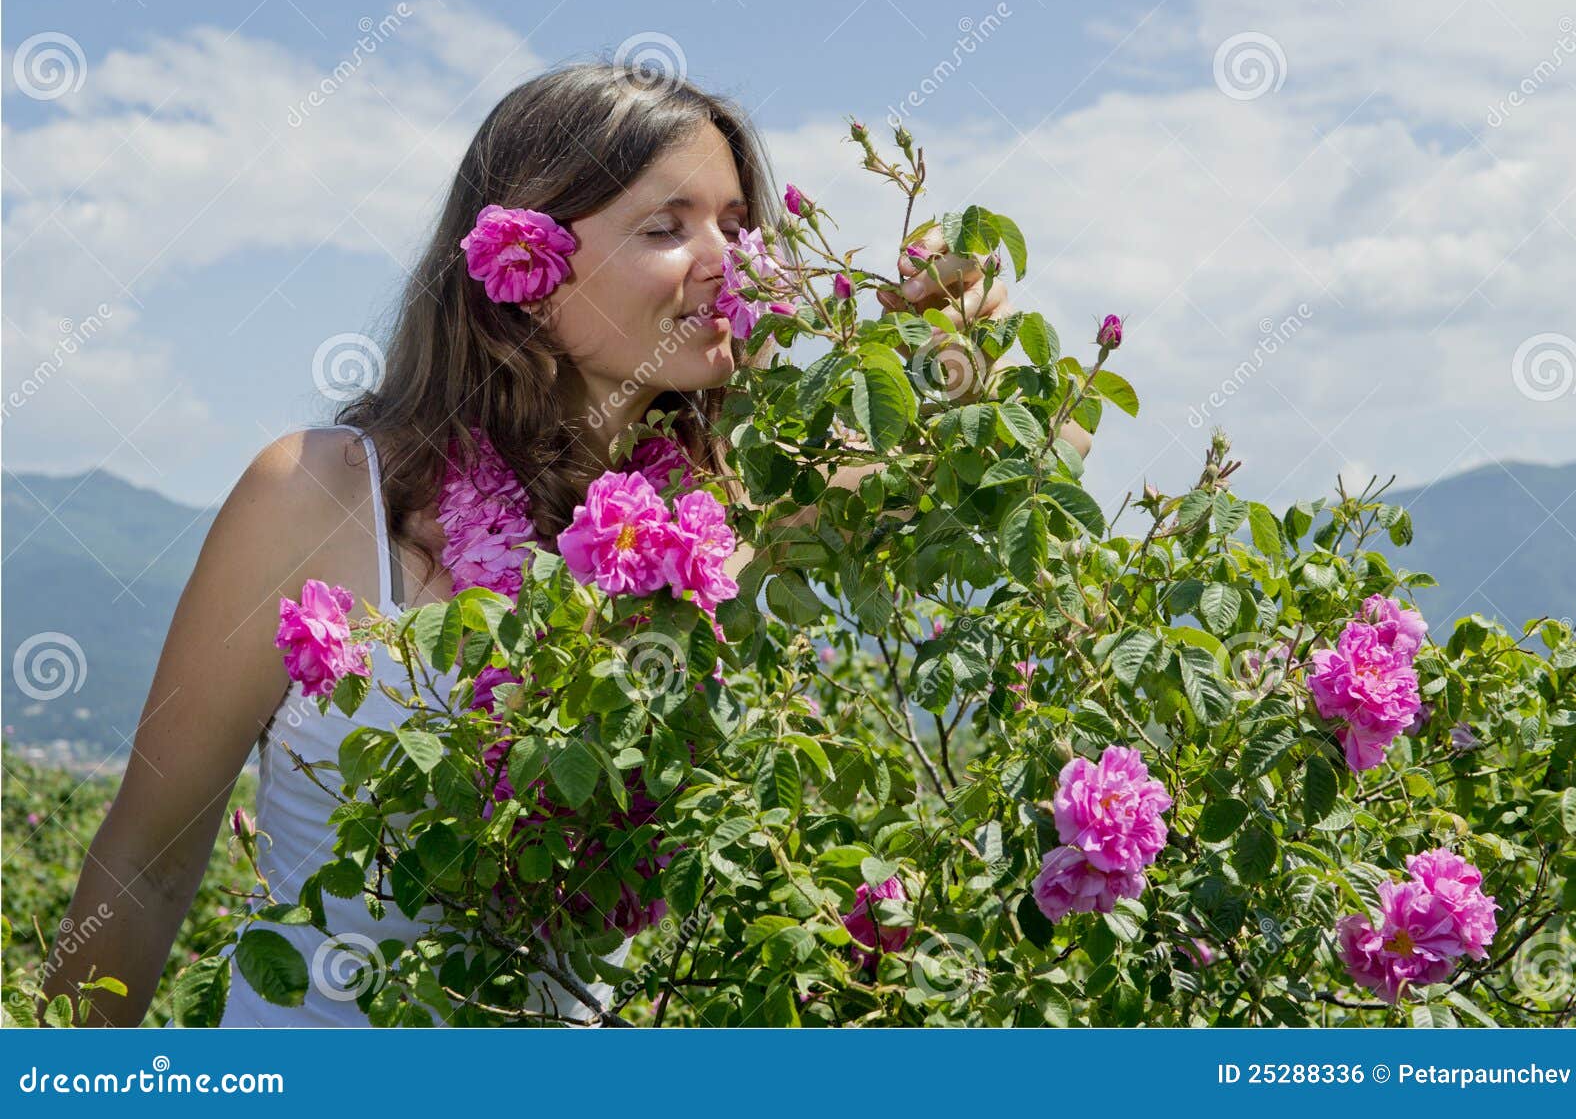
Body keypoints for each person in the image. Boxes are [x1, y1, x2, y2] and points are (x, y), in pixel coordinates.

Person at [38, 61, 1090, 1026]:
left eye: (735, 221)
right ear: (527, 264)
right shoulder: (318, 492)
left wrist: (968, 348)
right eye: (666, 227)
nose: (728, 261)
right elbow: (148, 861)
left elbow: (1038, 461)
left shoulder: (733, 519)